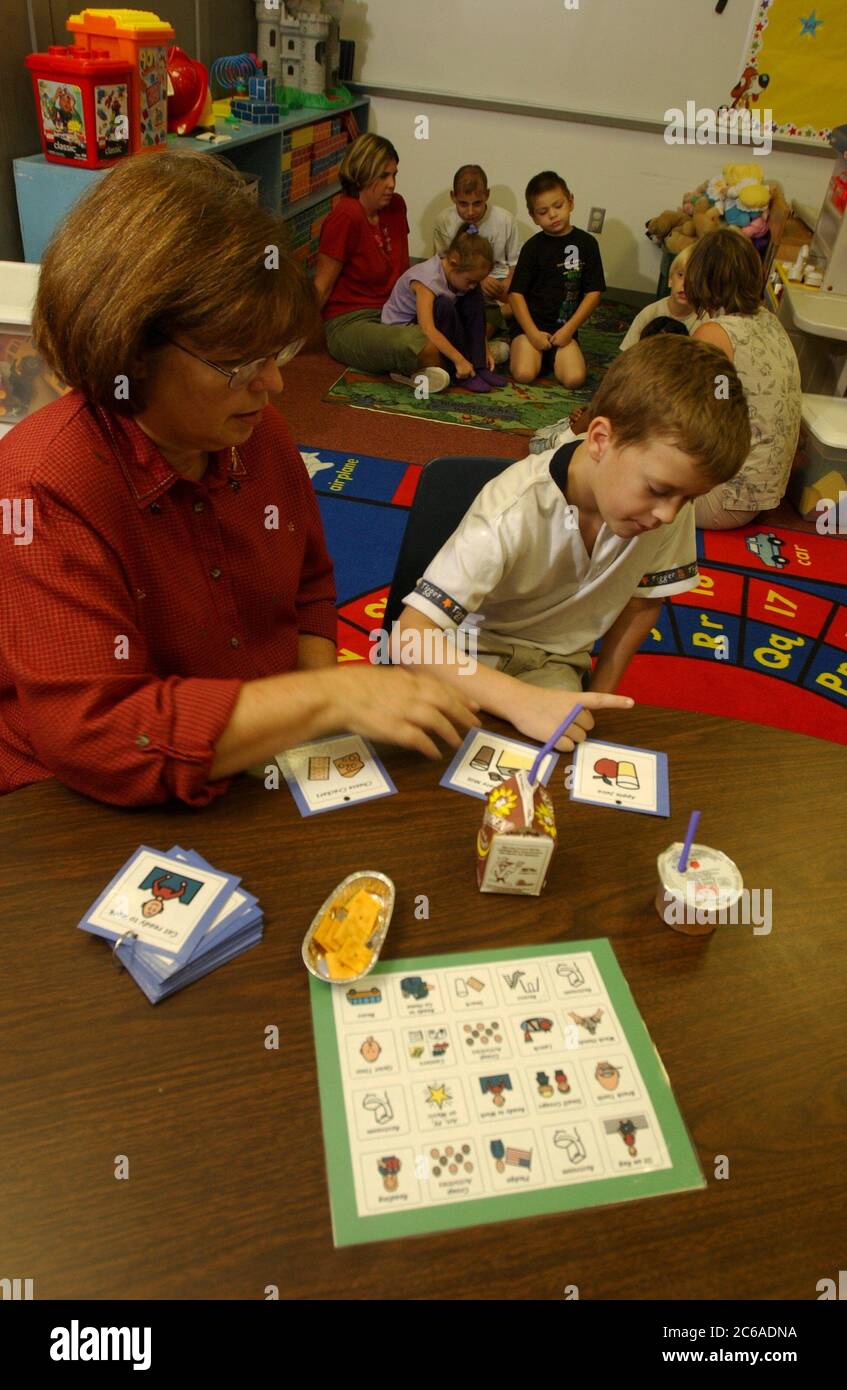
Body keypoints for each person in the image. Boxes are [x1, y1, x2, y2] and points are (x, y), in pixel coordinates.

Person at [0, 150, 479, 807]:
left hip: (257, 759)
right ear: (131, 349)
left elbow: (309, 579)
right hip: (78, 801)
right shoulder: (42, 484)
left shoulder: (255, 429)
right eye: (237, 362)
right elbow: (100, 737)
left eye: (274, 352)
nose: (273, 383)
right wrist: (323, 698)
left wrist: (321, 725)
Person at [393, 336, 751, 749]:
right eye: (657, 489)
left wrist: (596, 704)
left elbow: (641, 605)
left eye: (688, 498)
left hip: (556, 668)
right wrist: (519, 701)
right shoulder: (512, 507)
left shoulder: (665, 506)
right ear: (600, 439)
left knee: (558, 776)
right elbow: (410, 637)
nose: (669, 515)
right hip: (469, 660)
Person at [685, 227, 802, 529]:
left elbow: (700, 413)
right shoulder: (770, 322)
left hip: (725, 499)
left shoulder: (714, 334)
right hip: (766, 491)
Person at [313, 134, 449, 392]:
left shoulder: (396, 206)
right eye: (384, 176)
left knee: (472, 308)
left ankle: (425, 365)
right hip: (351, 321)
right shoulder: (346, 216)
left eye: (394, 175)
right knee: (424, 344)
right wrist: (292, 337)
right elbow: (321, 286)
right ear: (362, 174)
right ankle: (434, 362)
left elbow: (405, 270)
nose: (392, 184)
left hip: (397, 309)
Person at [509, 171, 605, 388]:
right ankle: (526, 351)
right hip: (530, 328)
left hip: (565, 328)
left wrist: (569, 330)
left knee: (574, 379)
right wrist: (532, 334)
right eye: (543, 212)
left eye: (558, 206)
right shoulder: (532, 247)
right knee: (524, 374)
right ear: (533, 216)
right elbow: (515, 295)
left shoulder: (587, 243)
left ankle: (550, 358)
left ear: (570, 201)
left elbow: (594, 293)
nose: (552, 215)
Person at [381, 230, 507, 393]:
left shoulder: (458, 276)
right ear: (454, 263)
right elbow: (428, 329)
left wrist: (484, 350)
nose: (472, 285)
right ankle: (461, 373)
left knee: (473, 295)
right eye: (470, 281)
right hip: (404, 330)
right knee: (443, 305)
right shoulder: (427, 281)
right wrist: (459, 360)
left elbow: (474, 316)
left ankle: (478, 365)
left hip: (427, 322)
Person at [433, 164, 520, 355]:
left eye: (477, 203)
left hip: (497, 285)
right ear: (453, 196)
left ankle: (471, 343)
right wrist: (478, 281)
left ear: (487, 195)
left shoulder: (505, 220)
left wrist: (506, 284)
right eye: (463, 203)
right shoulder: (444, 221)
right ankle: (478, 346)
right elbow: (442, 266)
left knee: (521, 301)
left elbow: (514, 264)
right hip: (462, 283)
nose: (470, 211)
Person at [619, 245, 701, 350]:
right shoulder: (649, 314)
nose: (685, 284)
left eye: (695, 279)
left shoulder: (704, 321)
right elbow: (627, 354)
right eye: (681, 275)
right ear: (670, 279)